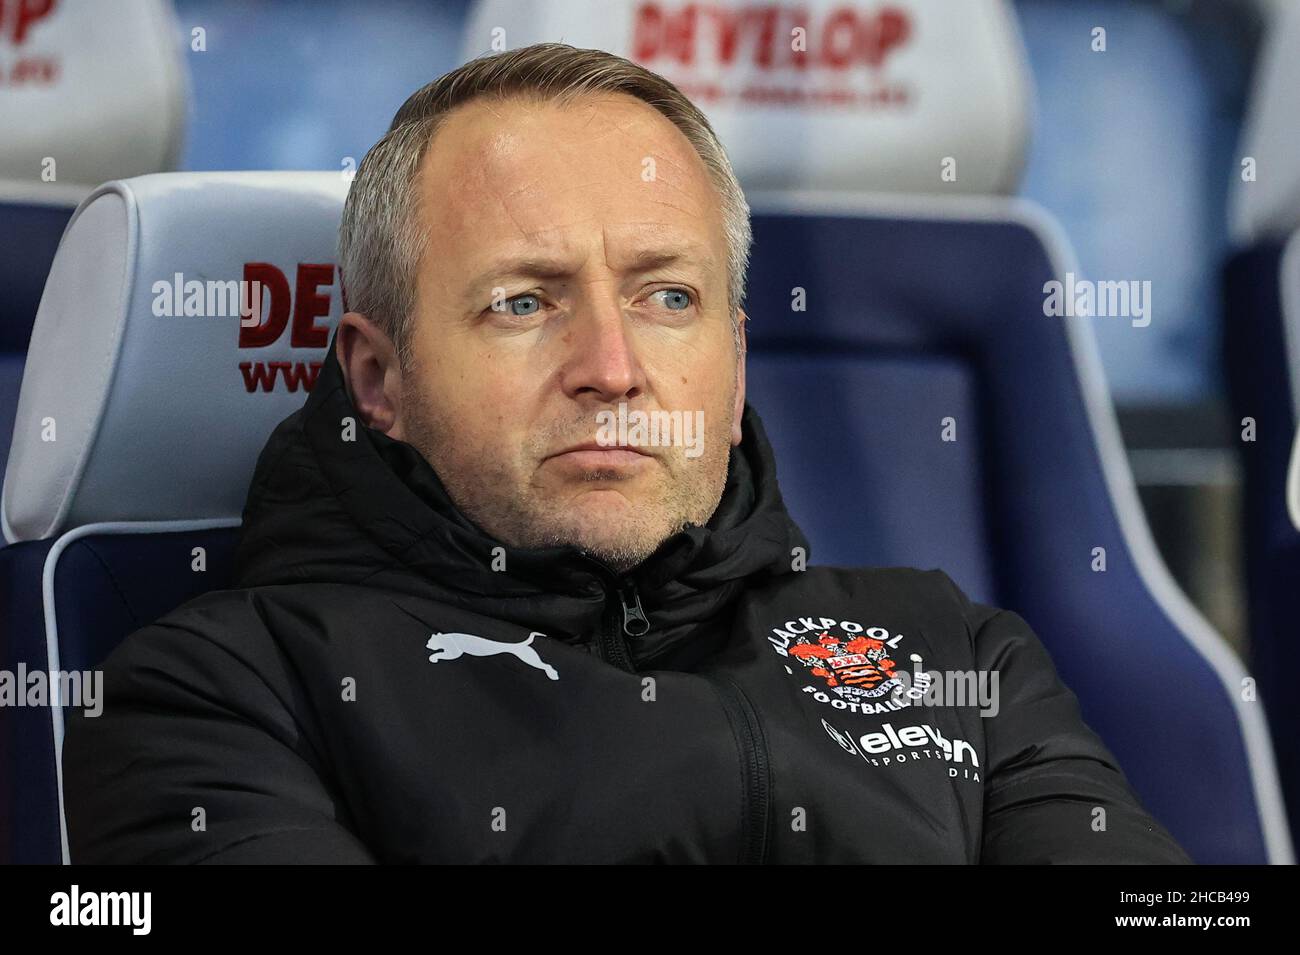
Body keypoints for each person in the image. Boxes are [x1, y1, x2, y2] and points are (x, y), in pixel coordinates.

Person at [62, 42, 1191, 864]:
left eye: (666, 295)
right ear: (379, 378)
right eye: (520, 302)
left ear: (735, 361)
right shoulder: (221, 695)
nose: (610, 364)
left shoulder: (959, 652)